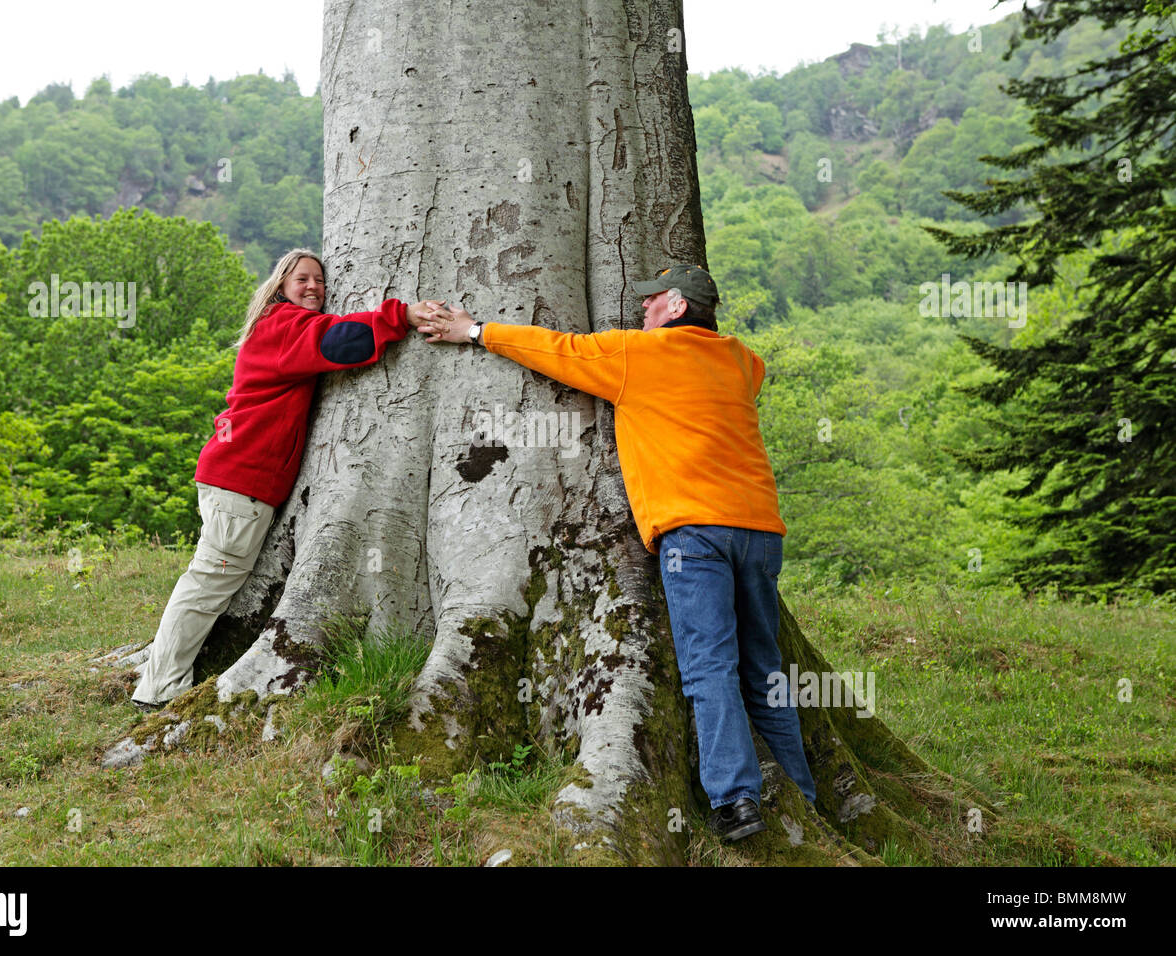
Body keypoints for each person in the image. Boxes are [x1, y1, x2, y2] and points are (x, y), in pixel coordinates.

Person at [417, 264, 817, 842]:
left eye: (653, 301)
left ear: (677, 306)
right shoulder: (740, 360)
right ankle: (803, 795)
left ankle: (736, 800)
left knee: (710, 667)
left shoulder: (639, 355)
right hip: (758, 530)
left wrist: (475, 330)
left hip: (693, 532)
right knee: (764, 669)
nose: (643, 310)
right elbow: (751, 376)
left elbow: (561, 350)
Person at [132, 248, 443, 708]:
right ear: (281, 286)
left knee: (210, 580)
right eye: (303, 279)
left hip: (236, 478)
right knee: (209, 583)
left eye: (320, 279)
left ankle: (161, 670)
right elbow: (338, 342)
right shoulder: (282, 326)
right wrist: (402, 314)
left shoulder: (278, 327)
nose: (314, 286)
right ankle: (159, 687)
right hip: (241, 482)